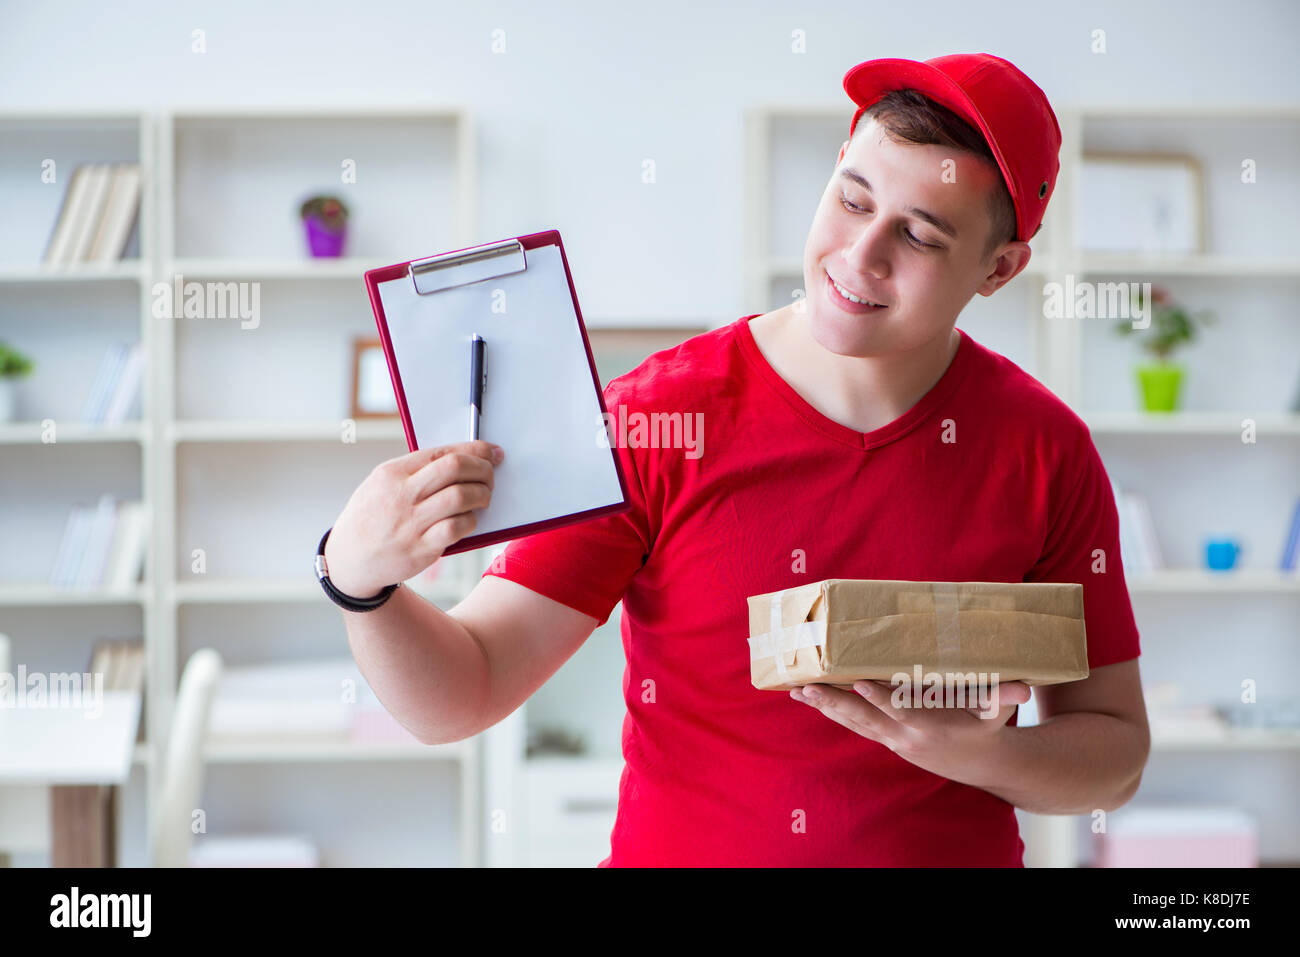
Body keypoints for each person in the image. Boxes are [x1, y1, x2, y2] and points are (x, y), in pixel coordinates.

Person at [320, 53, 1150, 867]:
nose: (861, 255)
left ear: (998, 269)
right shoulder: (657, 417)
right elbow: (465, 688)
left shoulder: (1047, 450)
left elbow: (1114, 750)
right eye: (852, 200)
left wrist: (970, 752)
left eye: (920, 236)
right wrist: (358, 579)